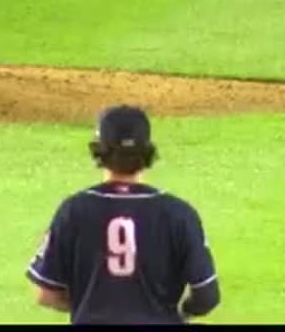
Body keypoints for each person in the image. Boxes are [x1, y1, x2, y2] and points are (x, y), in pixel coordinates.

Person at [26, 105, 220, 325]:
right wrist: (179, 313)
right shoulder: (179, 214)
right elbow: (207, 295)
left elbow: (46, 293)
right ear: (147, 151)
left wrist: (91, 305)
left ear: (99, 150)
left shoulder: (73, 210)